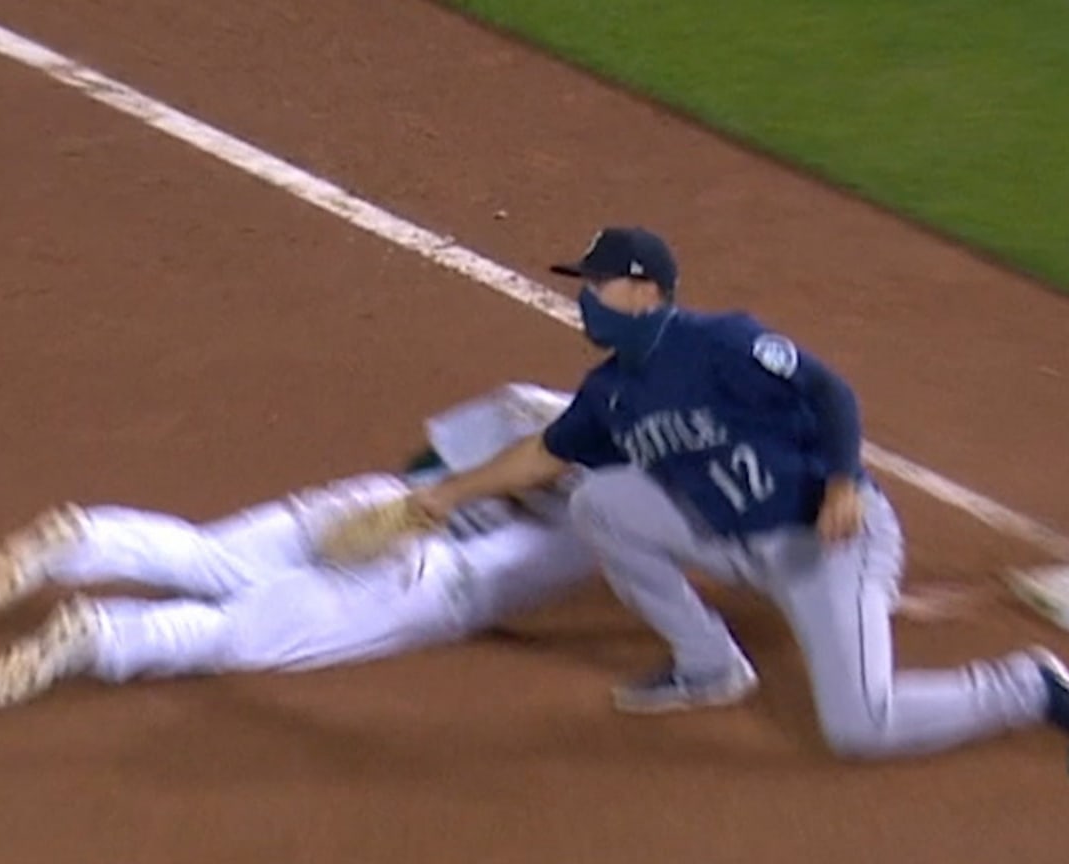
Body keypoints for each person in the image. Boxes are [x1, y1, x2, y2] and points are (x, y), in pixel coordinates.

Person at [409, 226, 1069, 760]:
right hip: (731, 540)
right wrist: (450, 494)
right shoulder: (609, 392)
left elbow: (828, 391)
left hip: (828, 543)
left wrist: (843, 480)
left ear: (643, 291)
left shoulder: (722, 341)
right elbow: (542, 454)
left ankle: (1030, 686)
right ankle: (708, 664)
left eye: (595, 285)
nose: (585, 299)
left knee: (861, 727)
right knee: (599, 501)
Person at [0, 382, 604, 711]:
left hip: (383, 502)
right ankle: (105, 635)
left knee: (212, 555)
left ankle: (86, 537)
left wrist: (417, 499)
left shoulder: (538, 400)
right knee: (239, 635)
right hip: (432, 582)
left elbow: (426, 461)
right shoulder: (638, 509)